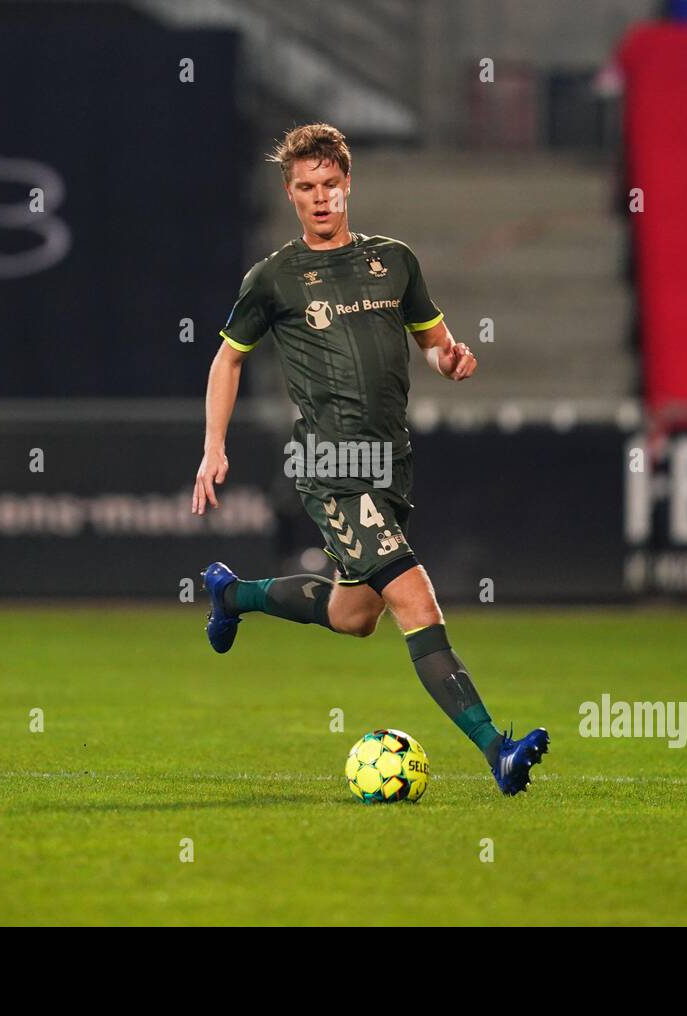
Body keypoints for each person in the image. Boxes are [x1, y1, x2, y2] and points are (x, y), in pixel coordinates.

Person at [190, 124, 549, 795]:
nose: (321, 198)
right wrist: (215, 445)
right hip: (330, 464)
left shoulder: (395, 261)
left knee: (354, 617)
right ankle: (496, 749)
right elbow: (227, 358)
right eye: (306, 188)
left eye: (330, 184)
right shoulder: (274, 278)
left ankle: (232, 593)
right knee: (416, 599)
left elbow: (435, 342)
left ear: (347, 184)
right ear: (290, 194)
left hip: (391, 463)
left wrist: (453, 357)